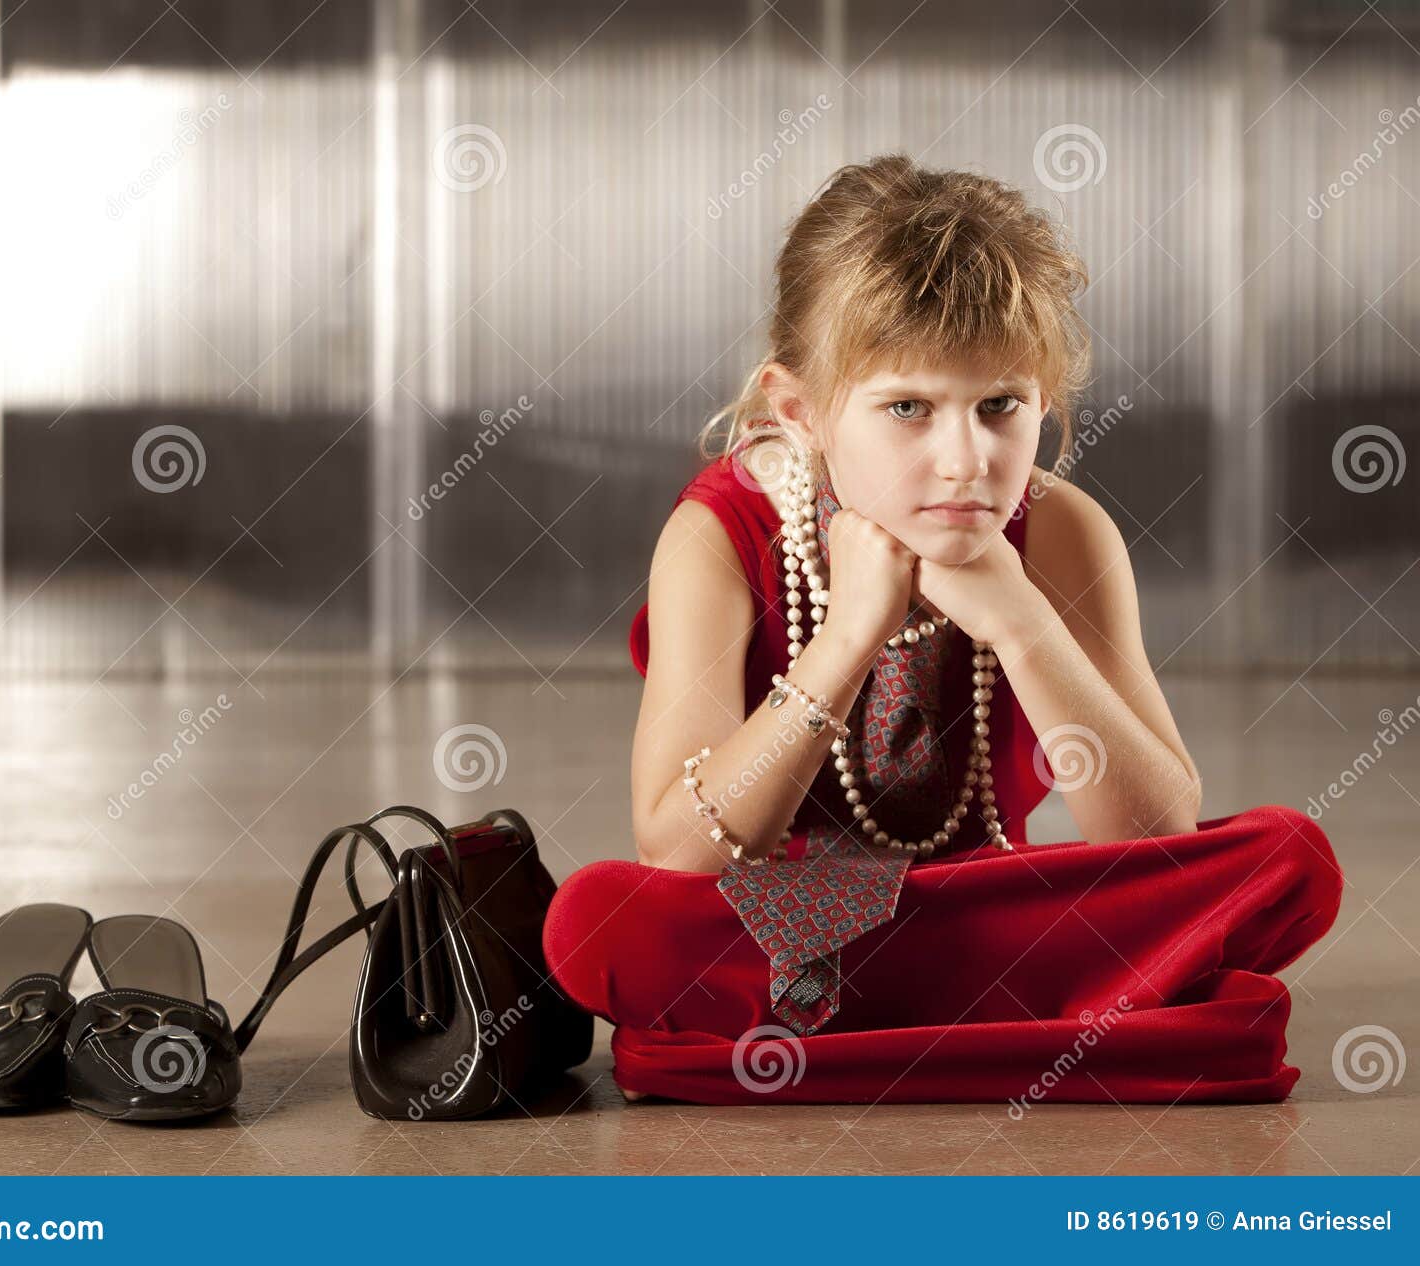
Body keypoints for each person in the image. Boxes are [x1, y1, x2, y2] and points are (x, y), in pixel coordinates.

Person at [540, 152, 1343, 1106]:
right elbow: (676, 854)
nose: (965, 460)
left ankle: (819, 1039)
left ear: (1046, 402)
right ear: (799, 412)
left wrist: (1022, 622)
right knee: (597, 921)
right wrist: (845, 639)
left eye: (1000, 406)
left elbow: (1154, 836)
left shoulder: (1062, 531)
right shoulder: (718, 533)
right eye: (908, 408)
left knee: (1290, 859)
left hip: (986, 902)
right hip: (779, 920)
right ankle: (1075, 1022)